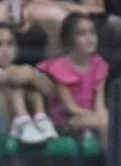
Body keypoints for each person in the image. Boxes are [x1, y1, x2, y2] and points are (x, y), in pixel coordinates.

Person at [38, 12, 110, 150]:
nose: (89, 38)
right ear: (70, 40)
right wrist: (100, 118)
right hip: (66, 121)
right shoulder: (60, 67)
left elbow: (99, 103)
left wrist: (103, 115)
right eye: (81, 34)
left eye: (92, 33)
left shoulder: (99, 65)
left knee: (108, 124)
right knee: (103, 124)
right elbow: (70, 107)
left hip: (93, 118)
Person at [0, 21, 58, 143]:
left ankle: (41, 119)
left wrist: (32, 76)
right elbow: (11, 77)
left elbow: (51, 90)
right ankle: (22, 120)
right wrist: (30, 73)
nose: (5, 50)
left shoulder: (22, 70)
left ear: (17, 49)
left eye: (10, 44)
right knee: (13, 81)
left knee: (30, 82)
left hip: (20, 122)